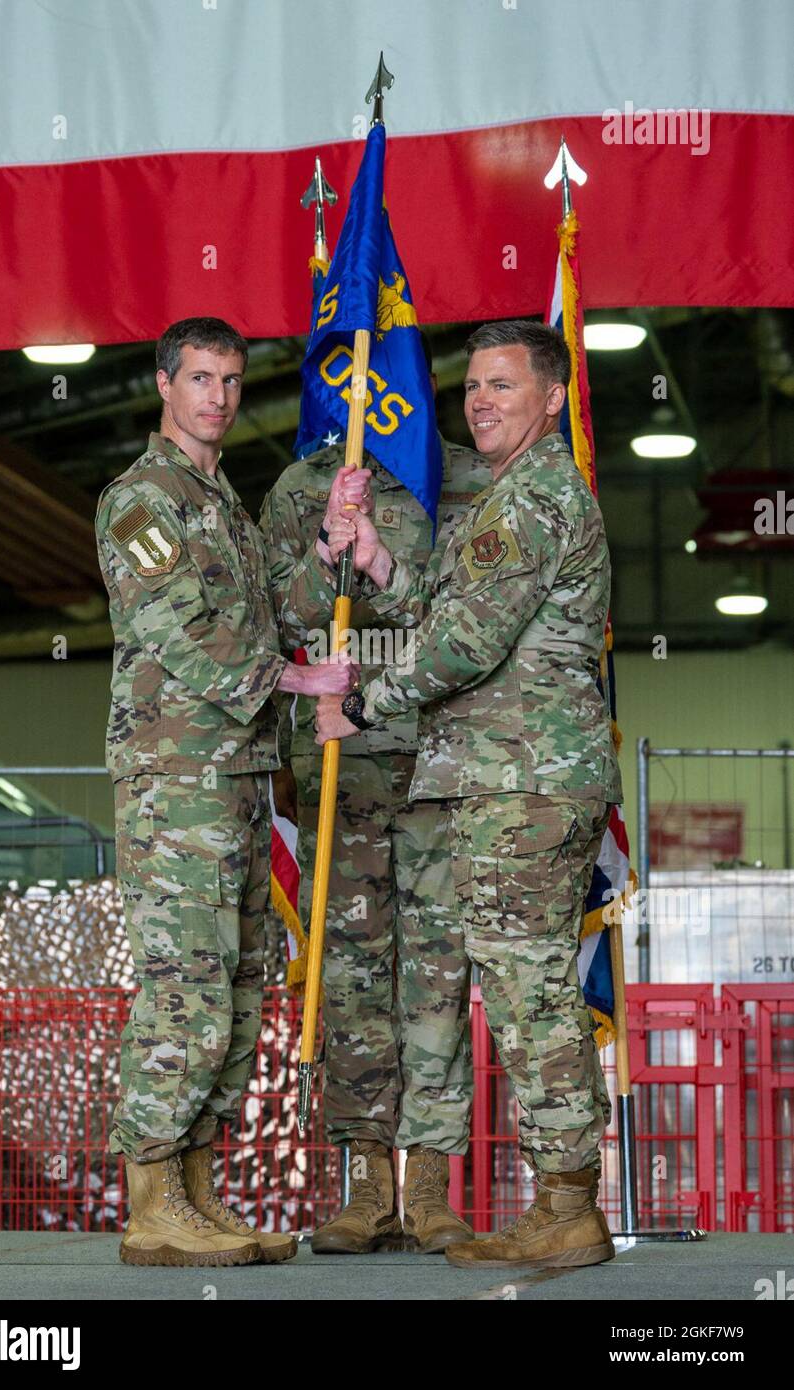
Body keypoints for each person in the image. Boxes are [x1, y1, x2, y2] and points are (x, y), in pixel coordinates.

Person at [315, 320, 623, 1269]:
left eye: (502, 385)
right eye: (472, 387)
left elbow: (461, 649)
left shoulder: (529, 500)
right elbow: (455, 611)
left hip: (524, 778)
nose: (480, 402)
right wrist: (375, 565)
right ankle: (563, 1199)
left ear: (552, 396)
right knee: (525, 982)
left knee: (528, 990)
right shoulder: (508, 498)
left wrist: (361, 706)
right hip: (514, 776)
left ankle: (568, 1207)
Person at [95, 316, 357, 1267]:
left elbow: (269, 612)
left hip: (241, 776)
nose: (218, 396)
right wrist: (293, 682)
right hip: (177, 783)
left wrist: (326, 550)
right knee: (185, 990)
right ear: (164, 385)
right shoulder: (140, 500)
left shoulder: (222, 503)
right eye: (200, 378)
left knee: (238, 993)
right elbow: (179, 630)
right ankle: (153, 1201)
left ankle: (195, 1195)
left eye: (233, 380)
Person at [260, 338, 490, 1253]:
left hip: (437, 767)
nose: (367, 388)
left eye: (384, 369)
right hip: (338, 773)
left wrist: (387, 568)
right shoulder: (294, 491)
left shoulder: (463, 484)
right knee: (353, 979)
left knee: (437, 977)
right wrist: (328, 543)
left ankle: (429, 1186)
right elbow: (271, 615)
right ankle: (363, 1187)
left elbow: (477, 618)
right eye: (348, 374)